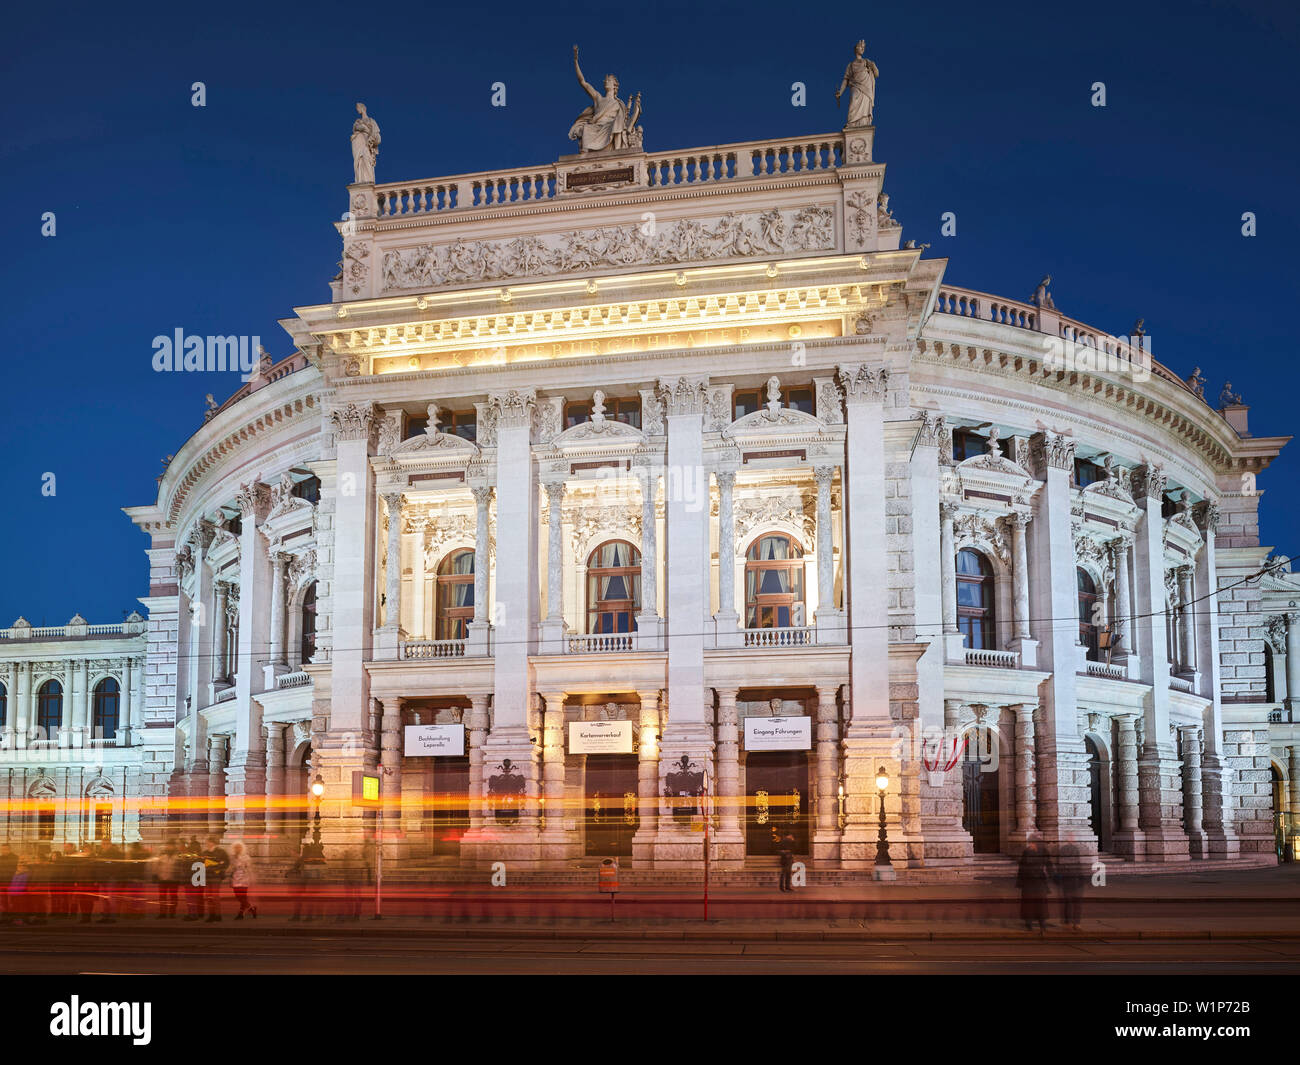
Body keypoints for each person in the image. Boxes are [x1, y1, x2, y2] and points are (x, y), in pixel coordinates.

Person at [1016, 836, 1054, 931]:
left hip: (1038, 881)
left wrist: (1052, 875)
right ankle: (1029, 922)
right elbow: (1022, 868)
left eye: (1031, 843)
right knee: (1029, 903)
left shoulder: (1043, 852)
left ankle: (1042, 922)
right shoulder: (1027, 852)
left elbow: (1048, 864)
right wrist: (1020, 882)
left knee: (1040, 903)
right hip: (1029, 881)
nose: (1030, 845)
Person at [1056, 842, 1087, 930]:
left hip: (1073, 883)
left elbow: (1080, 871)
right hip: (1070, 883)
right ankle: (1072, 923)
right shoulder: (1065, 863)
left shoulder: (1074, 863)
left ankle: (1073, 923)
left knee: (1072, 904)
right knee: (1071, 903)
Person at [202, 837, 229, 922]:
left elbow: (226, 862)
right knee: (208, 896)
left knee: (215, 896)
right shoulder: (204, 852)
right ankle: (211, 915)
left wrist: (217, 867)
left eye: (207, 842)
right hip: (206, 876)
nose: (206, 843)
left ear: (212, 842)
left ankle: (218, 915)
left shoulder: (221, 852)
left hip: (215, 876)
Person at [229, 843, 257, 919]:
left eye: (239, 847)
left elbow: (249, 867)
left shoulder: (246, 857)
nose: (237, 849)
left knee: (243, 897)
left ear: (242, 848)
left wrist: (251, 876)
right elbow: (231, 868)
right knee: (238, 896)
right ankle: (251, 908)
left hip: (244, 878)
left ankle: (241, 914)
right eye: (236, 847)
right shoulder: (232, 857)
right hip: (235, 878)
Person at [154, 844, 178, 918]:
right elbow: (157, 866)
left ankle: (172, 913)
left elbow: (179, 868)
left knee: (173, 897)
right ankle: (163, 913)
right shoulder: (162, 856)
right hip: (163, 879)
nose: (169, 847)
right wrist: (157, 875)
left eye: (171, 846)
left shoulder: (177, 857)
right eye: (168, 846)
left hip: (173, 880)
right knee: (162, 897)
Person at [0, 844, 17, 922]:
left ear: (9, 849)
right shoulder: (1, 858)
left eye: (5, 849)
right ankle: (5, 914)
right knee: (3, 899)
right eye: (2, 849)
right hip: (2, 881)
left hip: (11, 881)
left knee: (12, 899)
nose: (3, 851)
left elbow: (12, 870)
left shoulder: (14, 858)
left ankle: (12, 914)